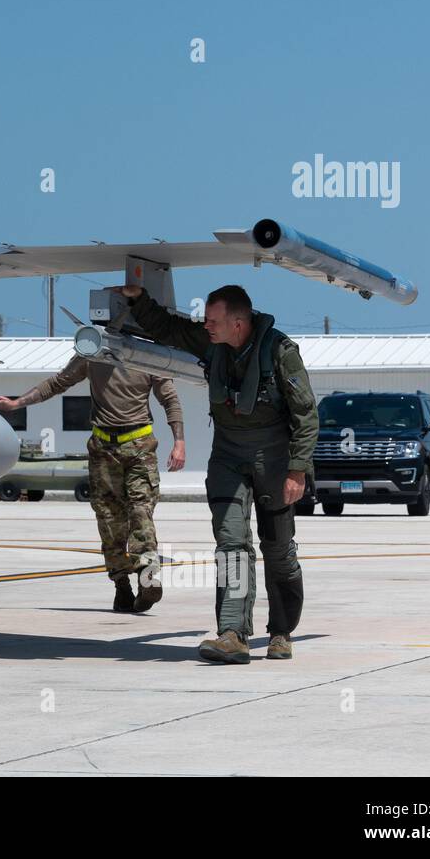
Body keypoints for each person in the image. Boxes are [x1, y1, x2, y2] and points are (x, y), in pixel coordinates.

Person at [120, 283, 317, 663]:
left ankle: (280, 631)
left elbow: (307, 415)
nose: (206, 325)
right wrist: (137, 299)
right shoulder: (212, 343)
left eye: (213, 320)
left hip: (273, 460)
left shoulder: (280, 352)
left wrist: (297, 470)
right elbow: (169, 329)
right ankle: (233, 634)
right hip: (228, 456)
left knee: (278, 550)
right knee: (231, 545)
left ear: (238, 324)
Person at [0, 357, 185, 612]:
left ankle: (148, 578)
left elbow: (169, 398)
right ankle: (121, 584)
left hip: (140, 447)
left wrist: (179, 441)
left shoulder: (144, 354)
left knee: (141, 511)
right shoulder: (93, 353)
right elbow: (58, 382)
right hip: (103, 449)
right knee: (109, 521)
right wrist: (17, 403)